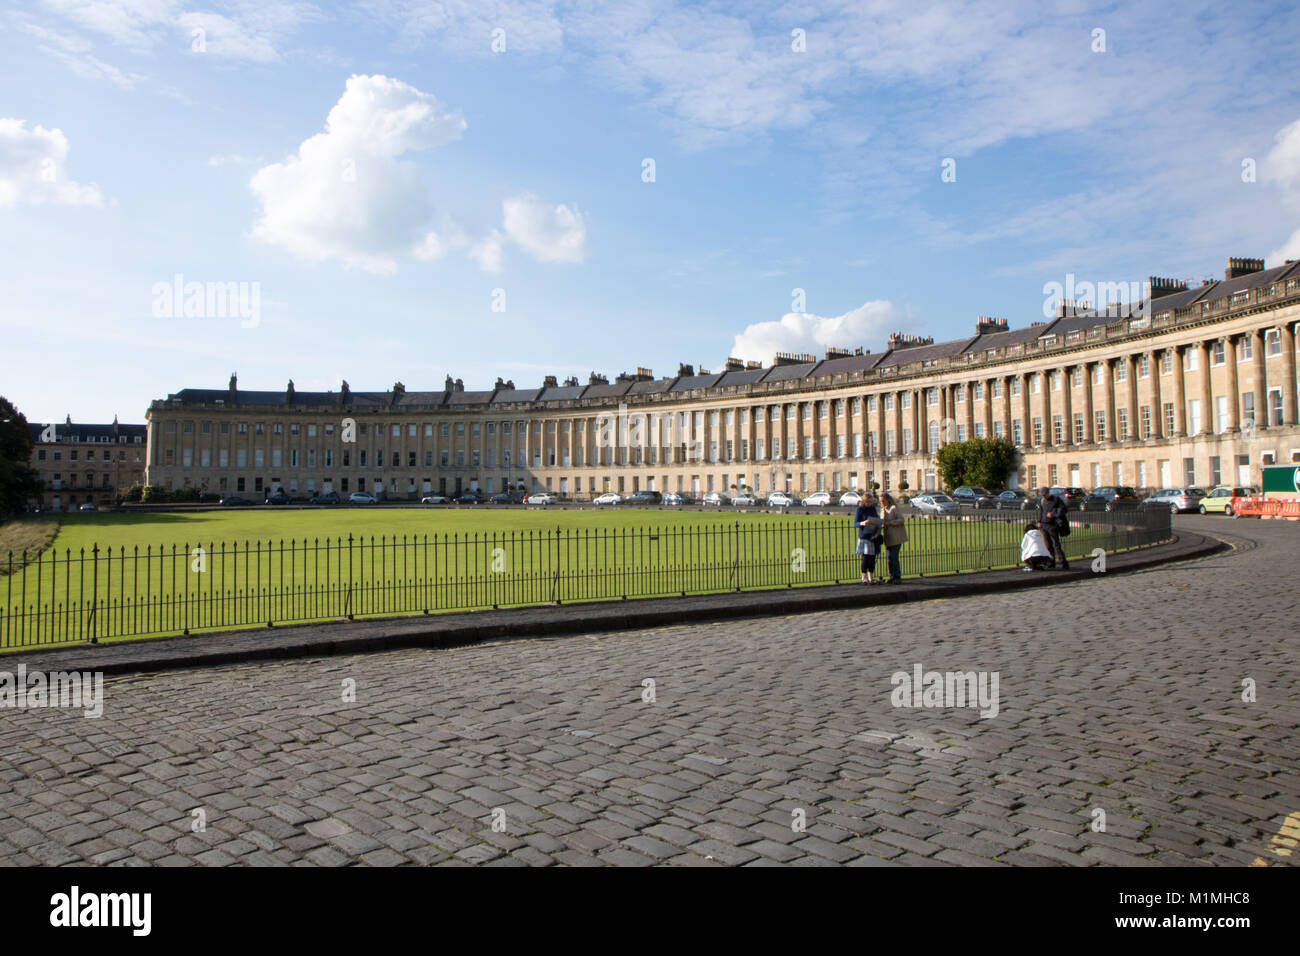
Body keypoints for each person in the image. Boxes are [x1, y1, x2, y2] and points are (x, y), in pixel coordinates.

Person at [1037, 487, 1070, 569]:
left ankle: (1063, 562)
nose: (1044, 497)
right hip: (1044, 525)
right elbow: (1041, 511)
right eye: (1042, 495)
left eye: (1045, 495)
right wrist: (1039, 521)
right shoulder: (1042, 501)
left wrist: (1053, 513)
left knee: (1056, 544)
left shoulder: (1056, 499)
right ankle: (1051, 562)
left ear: (1048, 493)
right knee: (1048, 545)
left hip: (1053, 525)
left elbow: (1064, 509)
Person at [853, 493, 882, 583]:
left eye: (871, 501)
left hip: (873, 535)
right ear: (864, 501)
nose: (870, 503)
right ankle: (864, 577)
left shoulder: (873, 509)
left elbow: (876, 518)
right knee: (865, 557)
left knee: (872, 557)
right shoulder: (860, 509)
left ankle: (871, 577)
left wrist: (878, 522)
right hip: (864, 536)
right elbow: (855, 523)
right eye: (868, 502)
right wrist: (863, 523)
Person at [880, 492, 907, 583]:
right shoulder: (883, 510)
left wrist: (890, 523)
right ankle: (892, 576)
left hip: (896, 537)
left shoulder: (894, 508)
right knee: (889, 558)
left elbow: (901, 520)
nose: (882, 503)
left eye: (883, 501)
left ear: (888, 500)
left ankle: (897, 576)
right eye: (881, 501)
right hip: (888, 538)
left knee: (894, 557)